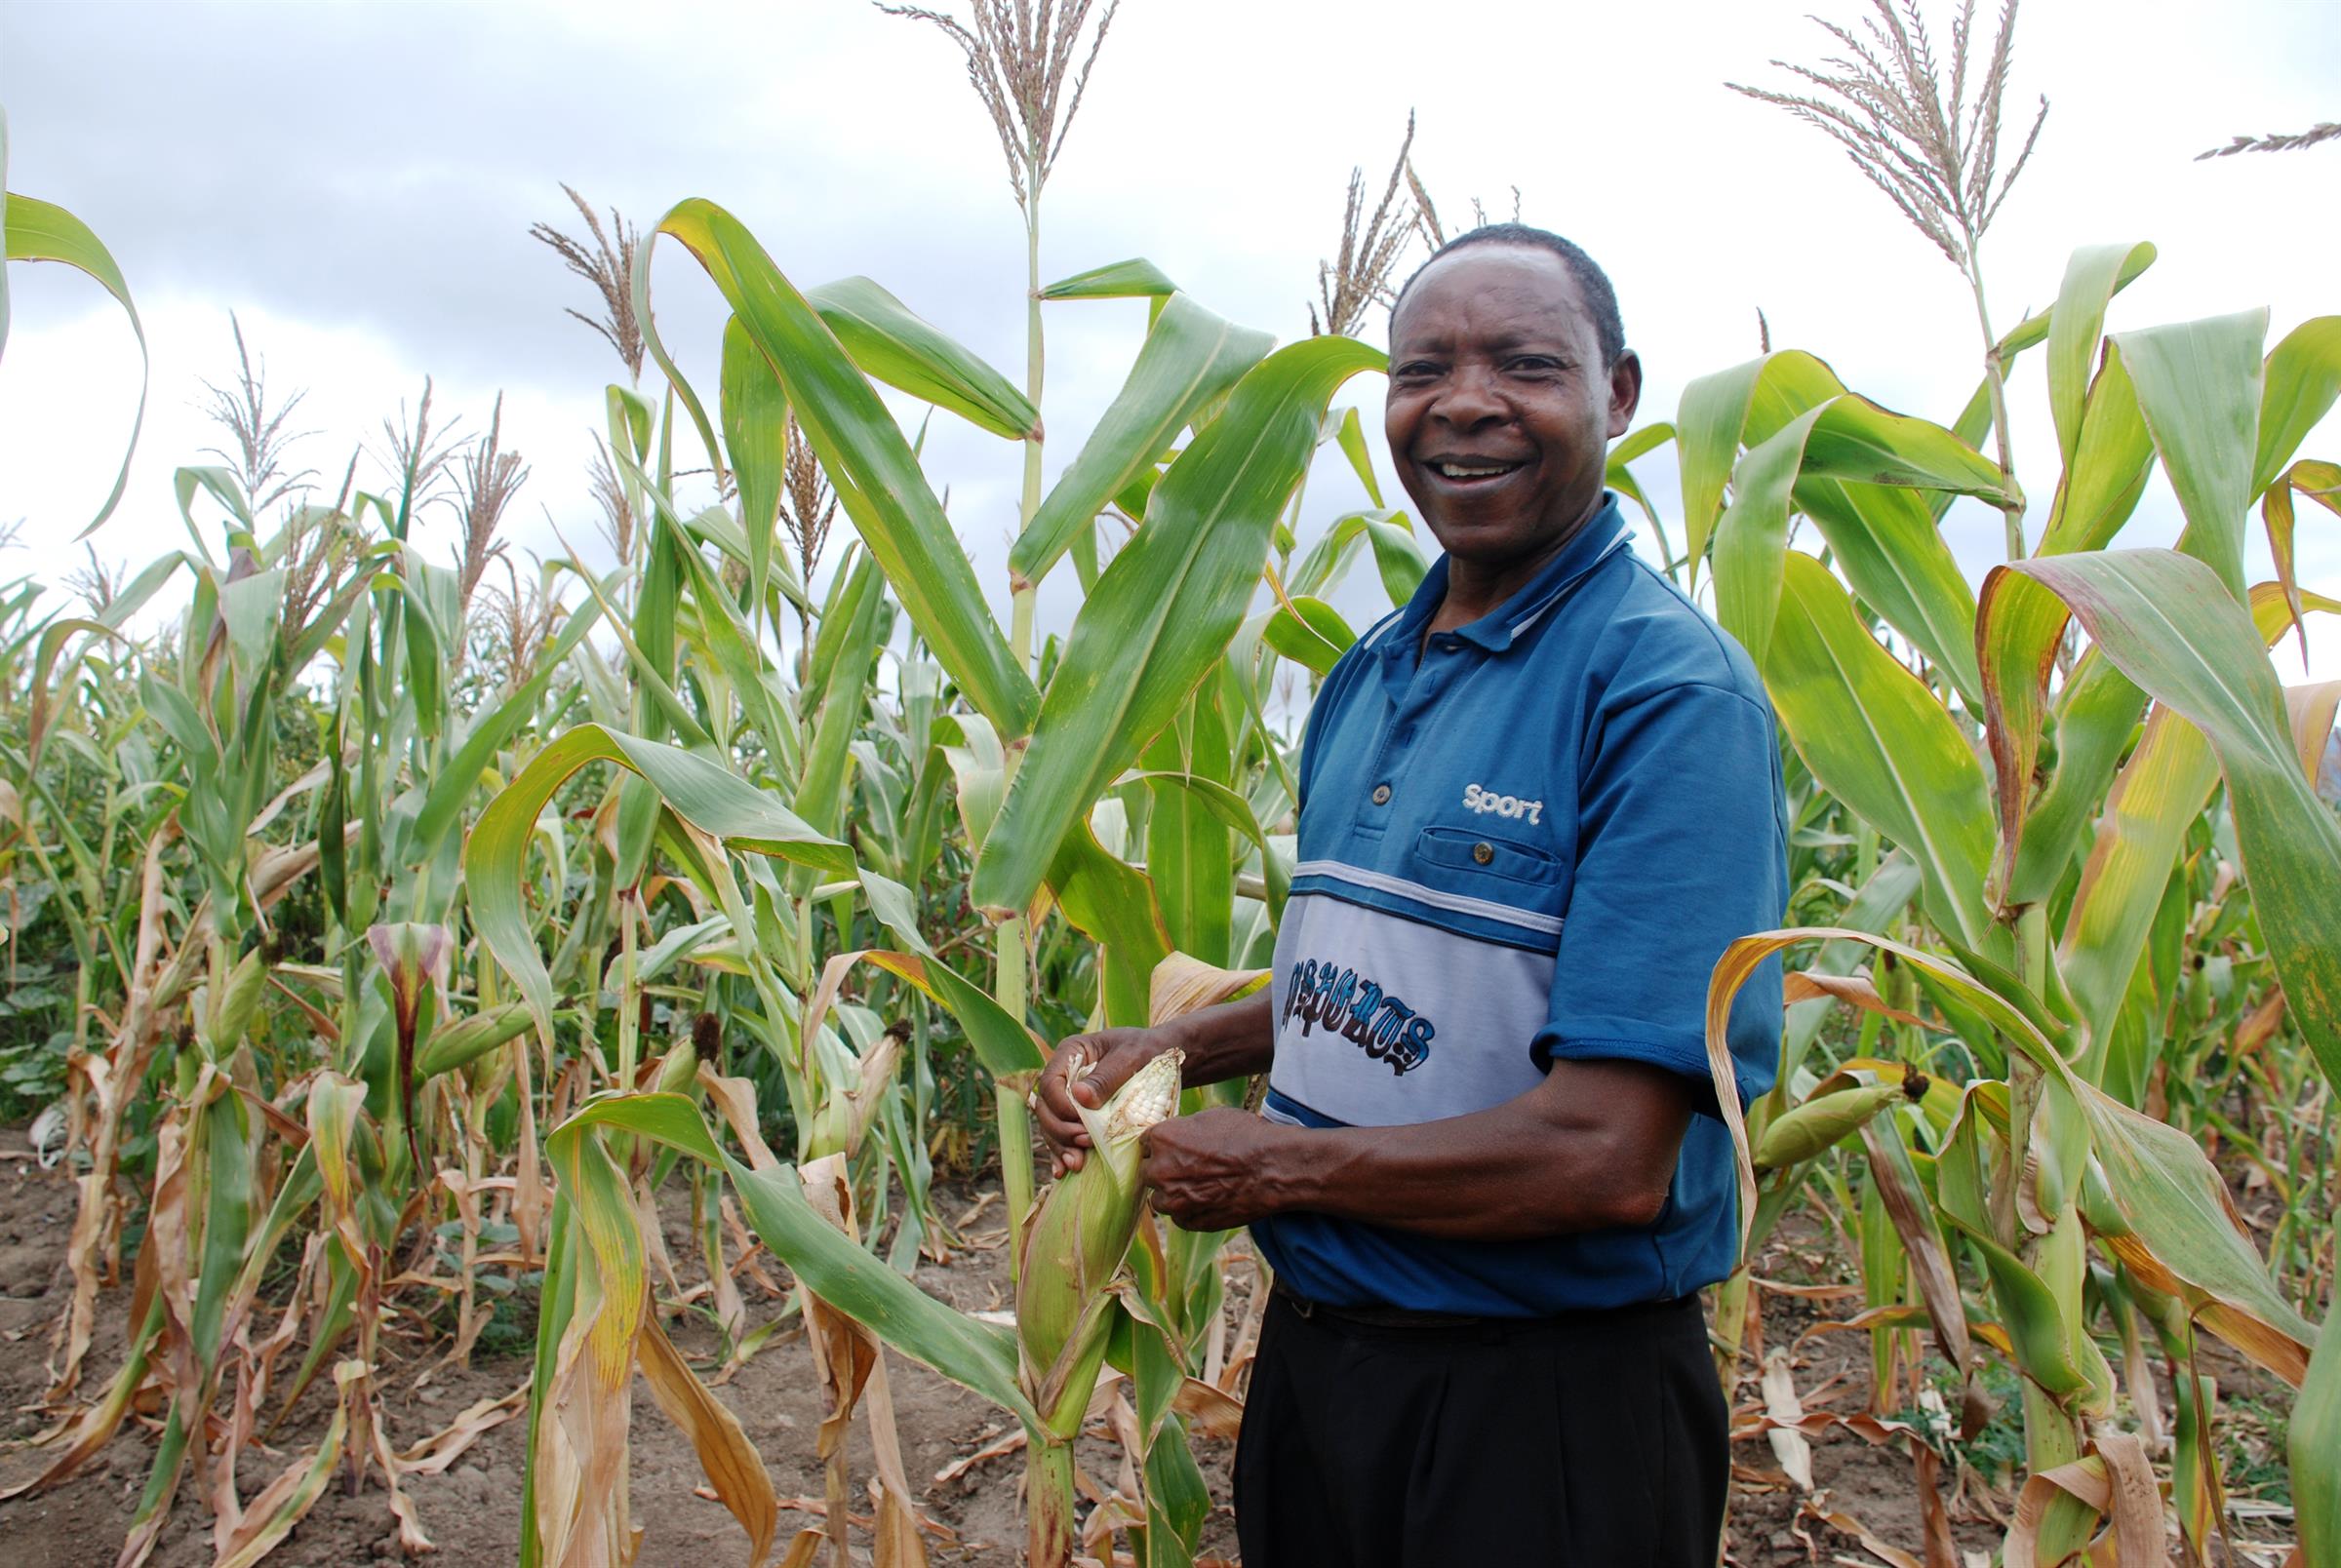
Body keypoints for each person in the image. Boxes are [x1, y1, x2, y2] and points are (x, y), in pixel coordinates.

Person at [1034, 223, 1788, 1568]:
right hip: (1323, 1376)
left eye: (1525, 365)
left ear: (1616, 395)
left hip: (1542, 1405)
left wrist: (1285, 1169)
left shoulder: (1663, 693)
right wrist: (1177, 1047)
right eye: (1422, 368)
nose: (1465, 403)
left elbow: (1610, 1157)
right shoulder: (1372, 669)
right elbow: (1373, 983)